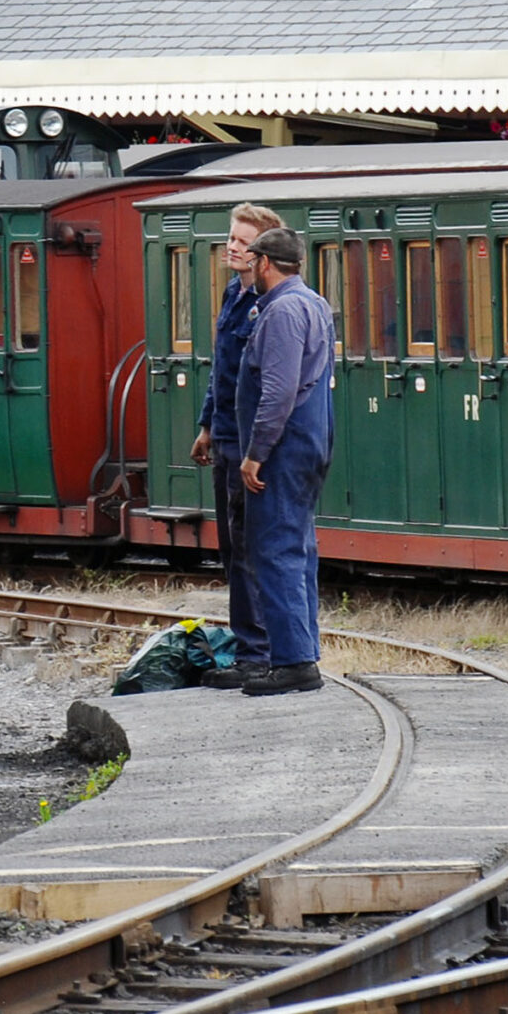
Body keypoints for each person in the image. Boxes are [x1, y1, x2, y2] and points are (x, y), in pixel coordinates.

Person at [233, 225, 333, 696]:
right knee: (298, 547)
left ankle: (293, 661)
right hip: (307, 438)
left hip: (284, 444)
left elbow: (277, 391)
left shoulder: (283, 312)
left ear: (266, 263)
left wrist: (255, 454)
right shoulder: (311, 302)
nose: (247, 267)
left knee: (275, 549)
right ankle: (301, 652)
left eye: (252, 260)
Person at [190, 204, 282, 688]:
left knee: (250, 547)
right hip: (225, 435)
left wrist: (255, 448)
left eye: (243, 241)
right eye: (231, 237)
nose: (232, 246)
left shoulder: (267, 305)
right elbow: (221, 370)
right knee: (230, 548)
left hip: (248, 443)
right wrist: (206, 425)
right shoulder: (232, 293)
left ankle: (258, 654)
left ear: (263, 252)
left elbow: (266, 382)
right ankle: (250, 649)